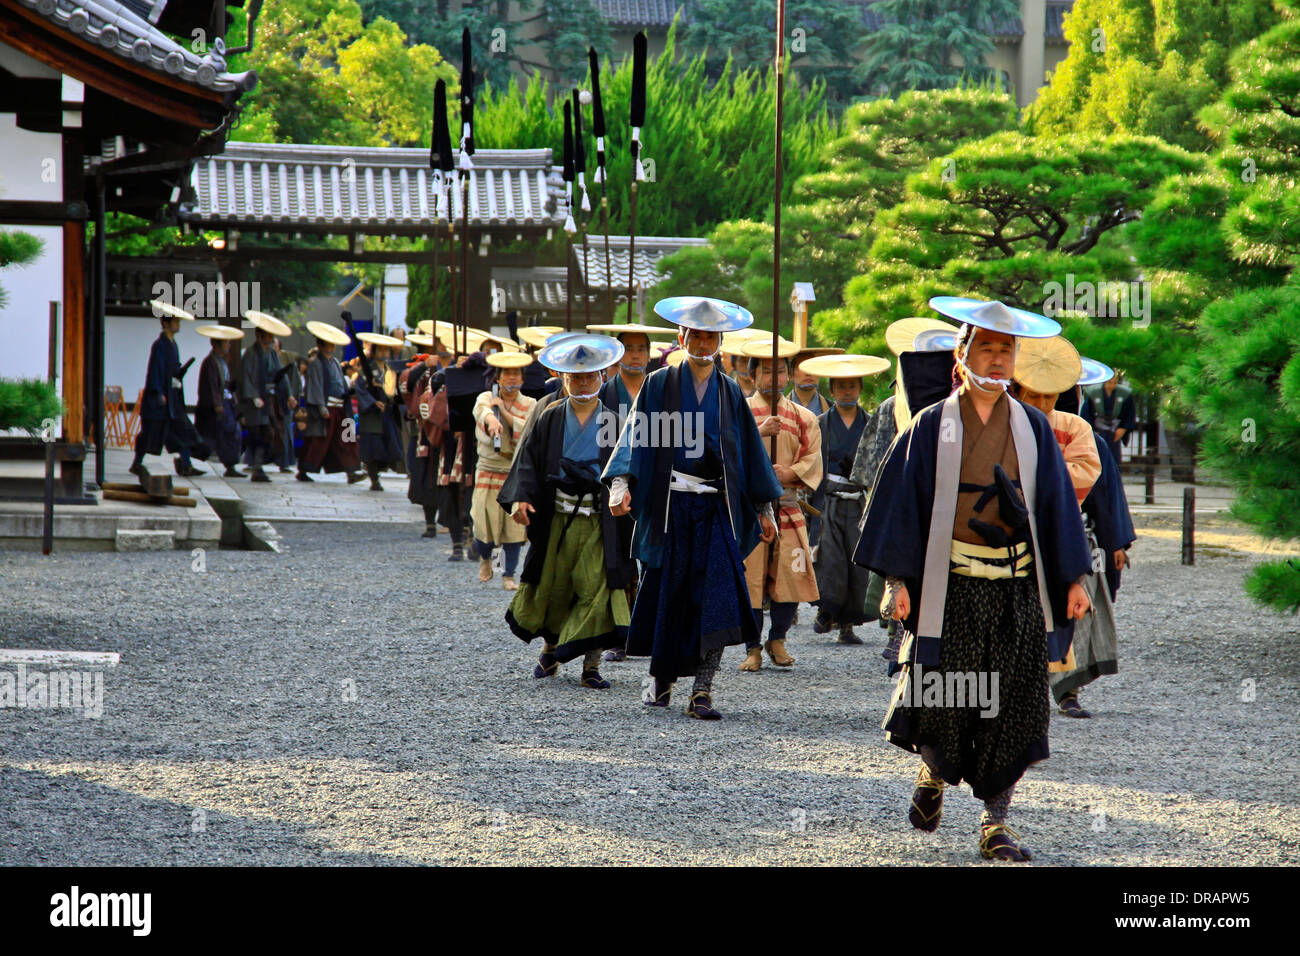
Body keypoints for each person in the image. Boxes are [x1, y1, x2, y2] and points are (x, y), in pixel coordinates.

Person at [854, 297, 1092, 862]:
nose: (996, 359)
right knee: (946, 695)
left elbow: (1059, 506)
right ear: (961, 357)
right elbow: (900, 506)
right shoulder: (933, 424)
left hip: (1016, 586)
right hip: (951, 584)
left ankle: (996, 822)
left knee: (1015, 704)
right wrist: (897, 580)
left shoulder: (1034, 428)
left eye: (1005, 350)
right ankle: (933, 774)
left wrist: (1076, 577)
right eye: (984, 347)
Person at [604, 296, 782, 720]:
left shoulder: (730, 392)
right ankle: (662, 677)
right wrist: (620, 482)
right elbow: (633, 436)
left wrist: (763, 507)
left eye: (710, 335)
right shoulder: (658, 383)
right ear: (681, 337)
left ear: (719, 341)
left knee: (716, 595)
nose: (702, 342)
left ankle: (703, 690)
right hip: (670, 508)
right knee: (668, 595)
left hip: (715, 507)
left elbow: (750, 453)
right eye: (695, 334)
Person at [500, 334, 638, 688]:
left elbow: (627, 466)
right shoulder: (549, 416)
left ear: (603, 377)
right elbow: (527, 461)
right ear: (563, 378)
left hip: (598, 519)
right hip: (557, 516)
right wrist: (520, 498)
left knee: (596, 587)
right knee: (554, 585)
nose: (582, 382)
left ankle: (591, 665)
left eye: (590, 375)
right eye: (575, 376)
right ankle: (550, 649)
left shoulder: (616, 420)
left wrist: (625, 493)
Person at [736, 337, 823, 672]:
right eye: (767, 371)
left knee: (792, 576)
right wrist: (757, 431)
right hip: (750, 512)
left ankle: (778, 639)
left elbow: (813, 459)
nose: (775, 378)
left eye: (781, 371)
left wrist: (789, 472)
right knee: (751, 580)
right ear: (753, 375)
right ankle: (753, 647)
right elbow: (726, 452)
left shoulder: (804, 417)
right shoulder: (740, 412)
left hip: (789, 506)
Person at [805, 354, 891, 644]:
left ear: (860, 389)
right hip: (828, 501)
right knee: (830, 560)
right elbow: (811, 463)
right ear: (831, 390)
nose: (847, 391)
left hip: (859, 501)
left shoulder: (871, 422)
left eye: (852, 386)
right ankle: (826, 611)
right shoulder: (819, 423)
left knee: (856, 563)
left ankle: (847, 626)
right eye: (841, 386)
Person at [471, 352, 537, 589]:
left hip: (513, 472)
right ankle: (486, 558)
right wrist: (492, 418)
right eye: (507, 373)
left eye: (516, 373)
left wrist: (506, 416)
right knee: (484, 528)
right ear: (498, 376)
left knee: (512, 531)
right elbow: (482, 411)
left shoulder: (530, 404)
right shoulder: (487, 397)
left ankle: (507, 575)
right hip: (488, 470)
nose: (511, 378)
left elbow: (527, 430)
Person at [130, 301, 208, 477]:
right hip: (160, 398)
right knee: (150, 432)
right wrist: (158, 393)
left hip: (173, 397)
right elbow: (155, 370)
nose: (178, 324)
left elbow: (173, 371)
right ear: (165, 323)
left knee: (182, 430)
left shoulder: (173, 344)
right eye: (175, 321)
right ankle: (136, 462)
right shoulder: (160, 345)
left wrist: (181, 373)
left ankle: (186, 463)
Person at [299, 321, 363, 483]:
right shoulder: (315, 364)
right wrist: (321, 407)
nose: (331, 346)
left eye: (332, 343)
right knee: (317, 441)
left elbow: (340, 382)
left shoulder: (334, 362)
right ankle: (304, 470)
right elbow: (315, 387)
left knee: (346, 438)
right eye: (328, 343)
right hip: (326, 408)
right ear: (320, 344)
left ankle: (352, 471)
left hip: (341, 407)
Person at [239, 310, 291, 483]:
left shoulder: (272, 353)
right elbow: (245, 376)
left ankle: (259, 466)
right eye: (267, 334)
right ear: (259, 335)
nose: (270, 338)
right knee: (257, 435)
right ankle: (257, 468)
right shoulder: (251, 353)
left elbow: (280, 374)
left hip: (270, 399)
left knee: (270, 433)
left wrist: (288, 394)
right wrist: (253, 396)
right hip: (255, 401)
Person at [354, 332, 406, 491]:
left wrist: (392, 399)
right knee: (372, 447)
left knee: (388, 446)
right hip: (372, 414)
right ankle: (374, 478)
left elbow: (397, 391)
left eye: (386, 350)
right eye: (380, 350)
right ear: (374, 351)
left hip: (388, 413)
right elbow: (360, 390)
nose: (383, 353)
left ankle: (379, 473)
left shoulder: (392, 370)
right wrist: (372, 401)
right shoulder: (366, 371)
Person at [195, 324, 244, 477]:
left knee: (229, 434)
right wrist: (217, 403)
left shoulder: (221, 361)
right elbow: (212, 385)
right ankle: (185, 459)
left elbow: (225, 385)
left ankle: (230, 465)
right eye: (226, 342)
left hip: (225, 403)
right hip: (215, 406)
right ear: (216, 344)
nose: (229, 345)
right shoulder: (211, 362)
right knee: (215, 436)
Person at [1083, 370, 1137, 466]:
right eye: (1109, 382)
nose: (1112, 385)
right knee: (1098, 456)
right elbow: (1086, 414)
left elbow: (1129, 413)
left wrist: (1123, 428)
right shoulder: (1094, 392)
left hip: (1115, 428)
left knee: (1114, 458)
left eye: (1115, 382)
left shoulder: (1124, 393)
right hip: (1098, 428)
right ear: (1104, 381)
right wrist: (1092, 431)